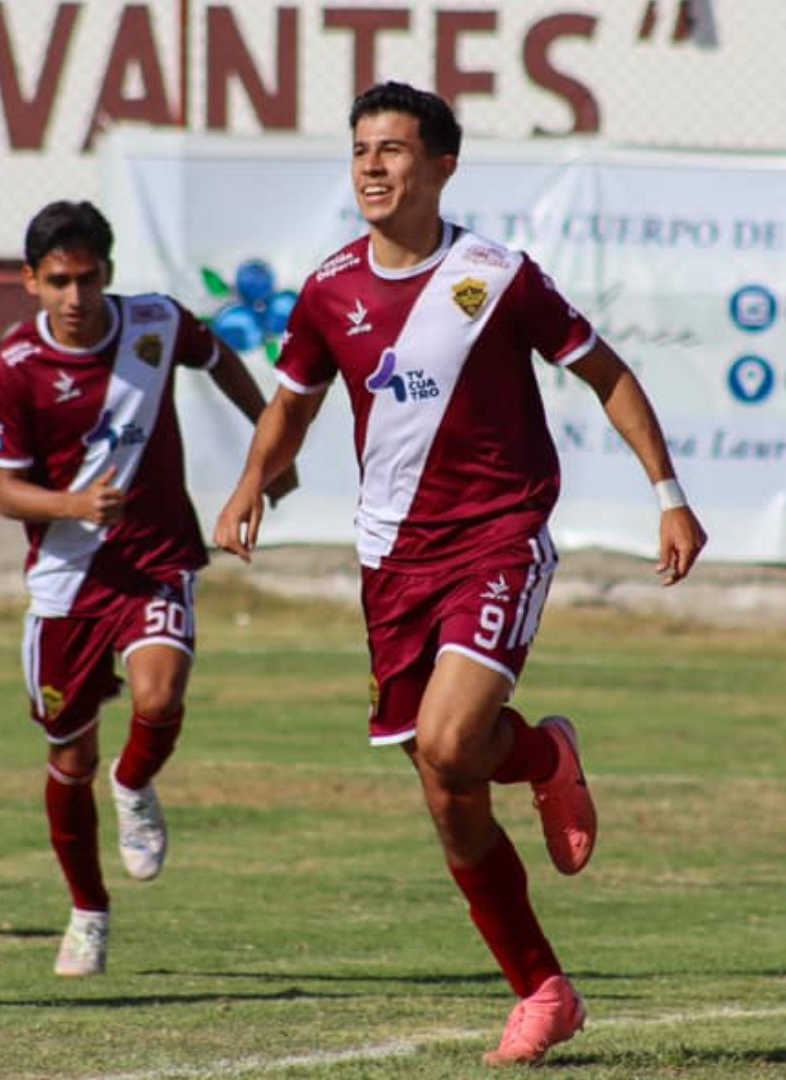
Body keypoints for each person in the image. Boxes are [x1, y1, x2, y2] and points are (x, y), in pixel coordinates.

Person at [214, 82, 708, 1065]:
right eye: (361, 149)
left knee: (448, 740)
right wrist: (248, 487)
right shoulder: (329, 290)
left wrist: (669, 494)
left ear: (443, 166)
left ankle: (537, 760)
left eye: (394, 149)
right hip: (391, 563)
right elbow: (292, 405)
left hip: (497, 539)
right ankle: (544, 984)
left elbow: (606, 371)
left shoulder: (496, 277)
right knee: (448, 789)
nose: (372, 166)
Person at [0, 200, 295, 977]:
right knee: (68, 756)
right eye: (58, 282)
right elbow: (4, 493)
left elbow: (222, 360)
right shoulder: (14, 367)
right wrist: (74, 505)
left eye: (87, 279)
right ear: (31, 281)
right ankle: (88, 911)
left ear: (107, 273)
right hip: (66, 581)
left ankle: (136, 781)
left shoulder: (155, 322)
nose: (75, 297)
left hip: (155, 557)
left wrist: (268, 455)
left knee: (160, 693)